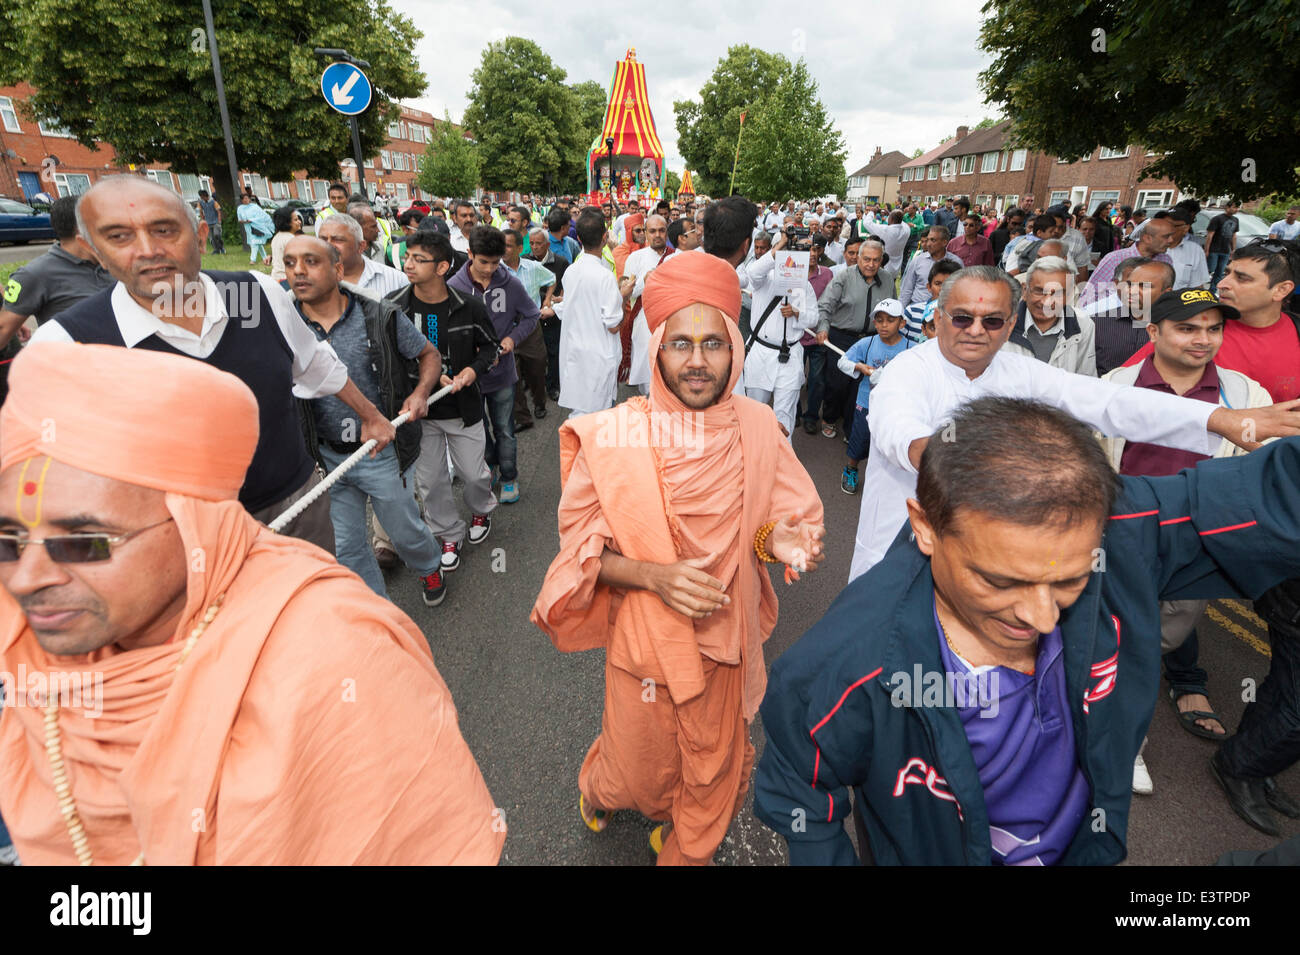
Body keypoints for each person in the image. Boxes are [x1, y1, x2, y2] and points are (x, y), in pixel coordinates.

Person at [0, 342, 504, 865]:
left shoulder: (334, 655)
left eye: (84, 543)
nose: (28, 578)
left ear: (197, 523)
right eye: (8, 539)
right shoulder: (24, 649)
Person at [756, 395, 1300, 865]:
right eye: (1000, 581)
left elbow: (1275, 492)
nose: (1042, 618)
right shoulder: (839, 668)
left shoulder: (1124, 529)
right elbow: (798, 796)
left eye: (1071, 579)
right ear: (926, 527)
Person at [531, 250, 825, 865]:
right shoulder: (613, 435)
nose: (697, 362)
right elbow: (581, 550)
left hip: (726, 639)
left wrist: (778, 542)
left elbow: (767, 528)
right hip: (643, 646)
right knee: (637, 767)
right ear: (657, 349)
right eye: (681, 344)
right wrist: (652, 576)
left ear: (735, 349)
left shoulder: (758, 426)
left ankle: (688, 843)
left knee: (713, 771)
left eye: (713, 343)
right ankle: (602, 785)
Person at [846, 265, 1300, 582]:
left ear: (1009, 327)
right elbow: (899, 433)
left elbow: (1106, 401)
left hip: (986, 550)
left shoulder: (1016, 369)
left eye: (993, 320)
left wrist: (1221, 418)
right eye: (962, 317)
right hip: (900, 545)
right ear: (940, 319)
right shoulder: (908, 371)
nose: (975, 330)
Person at [30, 175, 396, 552]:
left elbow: (316, 363)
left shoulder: (258, 295)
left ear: (201, 235)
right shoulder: (64, 346)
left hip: (297, 511)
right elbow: (47, 479)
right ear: (94, 251)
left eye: (164, 230)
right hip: (175, 544)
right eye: (118, 236)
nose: (147, 250)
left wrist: (370, 416)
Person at [1099, 288, 1271, 794]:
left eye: (1214, 329)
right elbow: (1088, 458)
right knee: (1114, 642)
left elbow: (1266, 466)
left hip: (1196, 550)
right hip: (1122, 537)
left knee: (1155, 641)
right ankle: (1126, 746)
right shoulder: (1117, 386)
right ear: (1153, 333)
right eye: (1188, 328)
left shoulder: (1244, 395)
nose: (1204, 340)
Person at [285, 235, 445, 603]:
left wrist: (420, 393)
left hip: (381, 451)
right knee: (347, 545)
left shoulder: (381, 315)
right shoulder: (282, 322)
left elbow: (429, 354)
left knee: (403, 529)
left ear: (338, 270)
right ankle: (376, 612)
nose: (298, 272)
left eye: (311, 262)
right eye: (291, 263)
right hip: (325, 457)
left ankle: (428, 565)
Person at [387, 229, 500, 575]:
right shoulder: (395, 307)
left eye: (418, 259)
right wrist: (426, 380)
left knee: (474, 474)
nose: (408, 264)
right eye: (407, 257)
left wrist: (471, 371)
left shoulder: (469, 306)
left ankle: (481, 507)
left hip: (464, 410)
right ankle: (448, 533)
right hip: (420, 415)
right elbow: (391, 358)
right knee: (431, 481)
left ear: (441, 267)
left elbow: (490, 349)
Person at [447, 226, 539, 504]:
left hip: (502, 373)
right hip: (469, 376)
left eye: (495, 262)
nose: (489, 269)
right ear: (469, 254)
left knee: (505, 428)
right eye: (483, 261)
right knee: (478, 430)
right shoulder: (453, 286)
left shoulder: (510, 283)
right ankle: (490, 469)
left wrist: (512, 338)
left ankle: (509, 476)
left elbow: (531, 315)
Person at [741, 229, 818, 439]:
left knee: (785, 417)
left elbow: (813, 319)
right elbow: (753, 272)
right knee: (755, 411)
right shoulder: (765, 278)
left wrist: (796, 312)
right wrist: (782, 243)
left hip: (790, 356)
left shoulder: (804, 285)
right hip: (761, 353)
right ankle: (754, 455)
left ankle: (782, 462)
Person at [815, 237, 895, 439]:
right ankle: (830, 418)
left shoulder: (887, 280)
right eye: (866, 259)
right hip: (842, 338)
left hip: (871, 339)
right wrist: (823, 328)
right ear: (858, 258)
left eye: (876, 260)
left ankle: (851, 428)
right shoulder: (843, 277)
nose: (871, 264)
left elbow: (892, 310)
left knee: (861, 386)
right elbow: (825, 306)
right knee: (838, 383)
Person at [552, 208, 623, 417]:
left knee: (580, 415)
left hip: (575, 354)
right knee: (595, 422)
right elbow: (612, 326)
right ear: (605, 237)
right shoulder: (604, 276)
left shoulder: (572, 271)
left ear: (579, 238)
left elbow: (570, 306)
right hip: (598, 359)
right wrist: (624, 297)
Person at [837, 299, 912, 495]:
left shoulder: (910, 348)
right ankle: (851, 469)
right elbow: (842, 361)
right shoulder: (867, 343)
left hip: (896, 407)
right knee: (860, 439)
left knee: (888, 444)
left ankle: (884, 480)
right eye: (879, 320)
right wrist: (859, 367)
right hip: (866, 403)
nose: (883, 325)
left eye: (890, 320)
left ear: (902, 323)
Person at [1001, 256, 1095, 375]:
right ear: (1024, 291)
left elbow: (1085, 379)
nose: (1047, 302)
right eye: (1039, 291)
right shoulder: (1001, 323)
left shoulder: (1083, 325)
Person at [1081, 258, 1176, 375]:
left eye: (1143, 286)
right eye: (1129, 284)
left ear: (1166, 293)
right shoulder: (1096, 323)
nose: (1132, 291)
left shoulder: (1179, 329)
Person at [502, 227, 555, 430]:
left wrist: (547, 300)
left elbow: (552, 280)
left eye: (508, 245)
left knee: (537, 370)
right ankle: (521, 417)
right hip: (506, 331)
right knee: (512, 376)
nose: (504, 250)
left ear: (518, 247)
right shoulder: (495, 271)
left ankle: (540, 403)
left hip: (531, 329)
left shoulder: (533, 267)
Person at [623, 214, 677, 395]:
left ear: (667, 232)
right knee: (646, 371)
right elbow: (626, 293)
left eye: (661, 230)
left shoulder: (676, 257)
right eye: (652, 231)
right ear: (645, 233)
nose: (657, 235)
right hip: (643, 321)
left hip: (671, 320)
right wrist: (645, 281)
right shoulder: (635, 258)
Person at [317, 214, 409, 301]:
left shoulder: (397, 280)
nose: (328, 245)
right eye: (323, 239)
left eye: (338, 240)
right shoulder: (311, 282)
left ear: (361, 246)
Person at [1086, 211, 1177, 291]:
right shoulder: (1115, 259)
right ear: (1147, 238)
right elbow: (1091, 293)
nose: (1171, 240)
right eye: (1166, 236)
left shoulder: (1166, 260)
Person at [901, 258, 961, 346]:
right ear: (929, 287)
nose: (943, 288)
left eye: (949, 284)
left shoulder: (962, 317)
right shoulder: (912, 312)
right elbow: (898, 342)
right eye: (938, 283)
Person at [900, 226, 963, 305]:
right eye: (928, 240)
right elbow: (907, 289)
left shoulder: (956, 263)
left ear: (944, 242)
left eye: (933, 240)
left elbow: (960, 290)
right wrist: (902, 310)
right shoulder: (918, 260)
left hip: (944, 309)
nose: (928, 244)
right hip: (917, 308)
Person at [1205, 200, 1241, 294]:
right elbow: (1210, 235)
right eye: (1233, 207)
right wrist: (1207, 250)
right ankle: (1199, 287)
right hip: (1214, 249)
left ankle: (1212, 291)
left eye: (1237, 208)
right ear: (1227, 207)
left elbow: (1234, 235)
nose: (1235, 209)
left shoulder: (1235, 220)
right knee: (1210, 269)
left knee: (1220, 272)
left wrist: (1233, 249)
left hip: (1225, 250)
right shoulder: (1217, 219)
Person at [236, 194, 273, 265]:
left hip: (257, 227)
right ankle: (265, 259)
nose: (246, 200)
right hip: (248, 228)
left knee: (254, 243)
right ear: (242, 200)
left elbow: (261, 215)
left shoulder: (254, 207)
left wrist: (253, 220)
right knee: (258, 243)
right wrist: (246, 221)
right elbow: (239, 220)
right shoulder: (240, 208)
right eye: (245, 198)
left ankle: (252, 260)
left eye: (247, 198)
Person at [268, 206, 302, 284]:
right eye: (296, 220)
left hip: (276, 278)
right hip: (287, 279)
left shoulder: (277, 237)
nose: (299, 222)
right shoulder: (291, 239)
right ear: (287, 223)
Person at [197, 189, 225, 254]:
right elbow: (200, 211)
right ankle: (216, 250)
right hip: (208, 222)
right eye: (201, 197)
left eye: (202, 197)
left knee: (217, 235)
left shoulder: (213, 202)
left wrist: (219, 220)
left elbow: (218, 211)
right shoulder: (201, 202)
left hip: (215, 222)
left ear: (205, 196)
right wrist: (202, 220)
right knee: (211, 238)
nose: (201, 198)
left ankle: (221, 248)